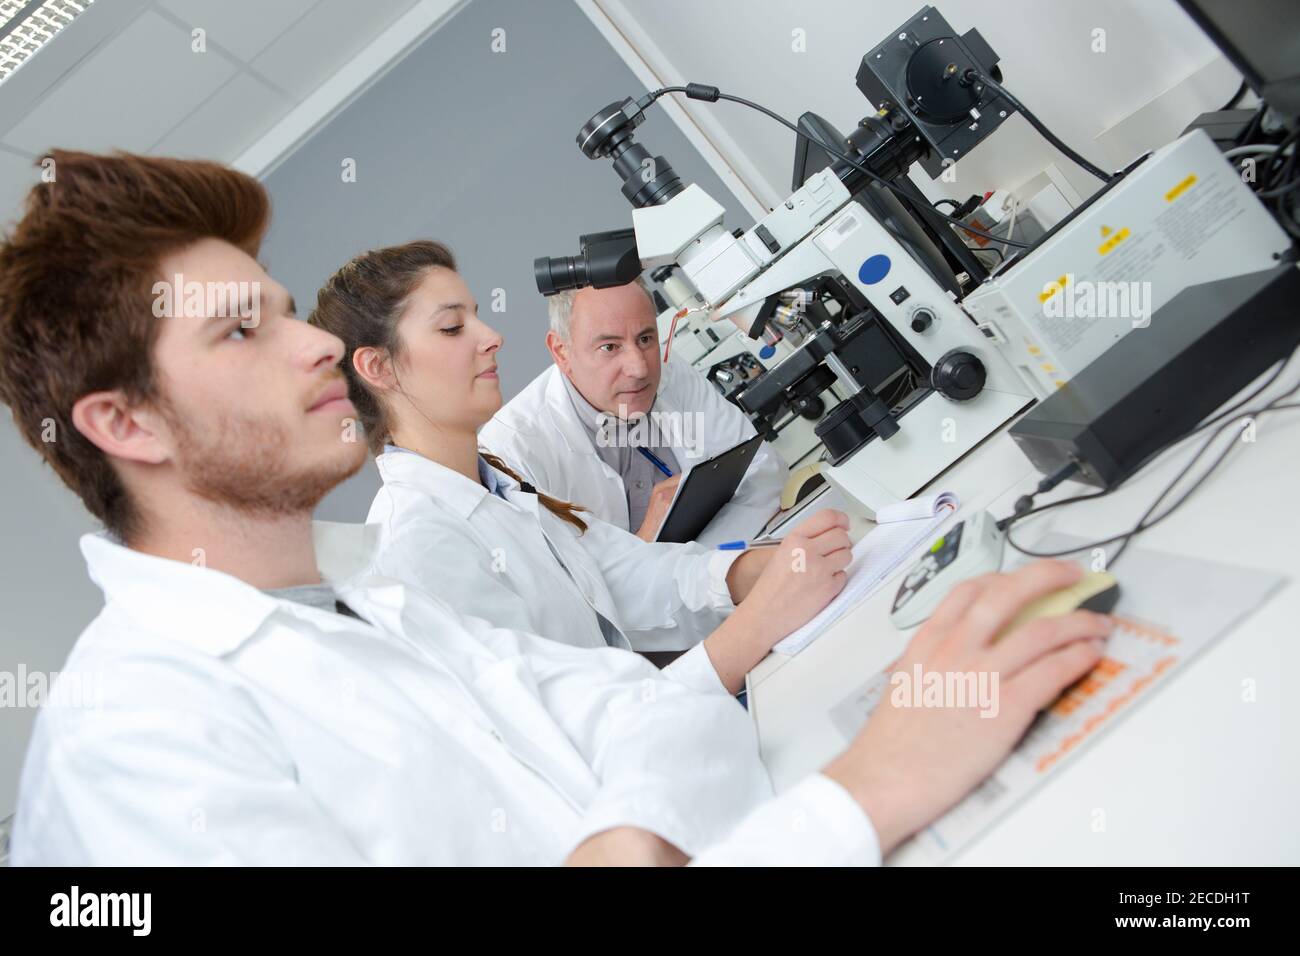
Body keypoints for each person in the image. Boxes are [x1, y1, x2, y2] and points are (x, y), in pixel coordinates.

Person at [0, 150, 1113, 866]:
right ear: (128, 425)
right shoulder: (133, 745)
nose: (317, 346)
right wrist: (870, 787)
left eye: (288, 311)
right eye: (242, 330)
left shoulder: (369, 606)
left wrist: (623, 837)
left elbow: (643, 714)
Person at [307, 241, 848, 695]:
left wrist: (757, 570)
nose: (491, 336)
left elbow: (625, 572)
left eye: (477, 314)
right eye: (453, 328)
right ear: (379, 367)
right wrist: (755, 626)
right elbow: (573, 725)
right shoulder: (418, 543)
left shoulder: (497, 482)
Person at [479, 282, 786, 542]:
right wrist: (649, 539)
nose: (639, 368)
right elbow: (578, 596)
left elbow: (763, 472)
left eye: (645, 338)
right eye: (610, 348)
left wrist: (720, 566)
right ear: (561, 351)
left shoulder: (667, 368)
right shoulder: (515, 447)